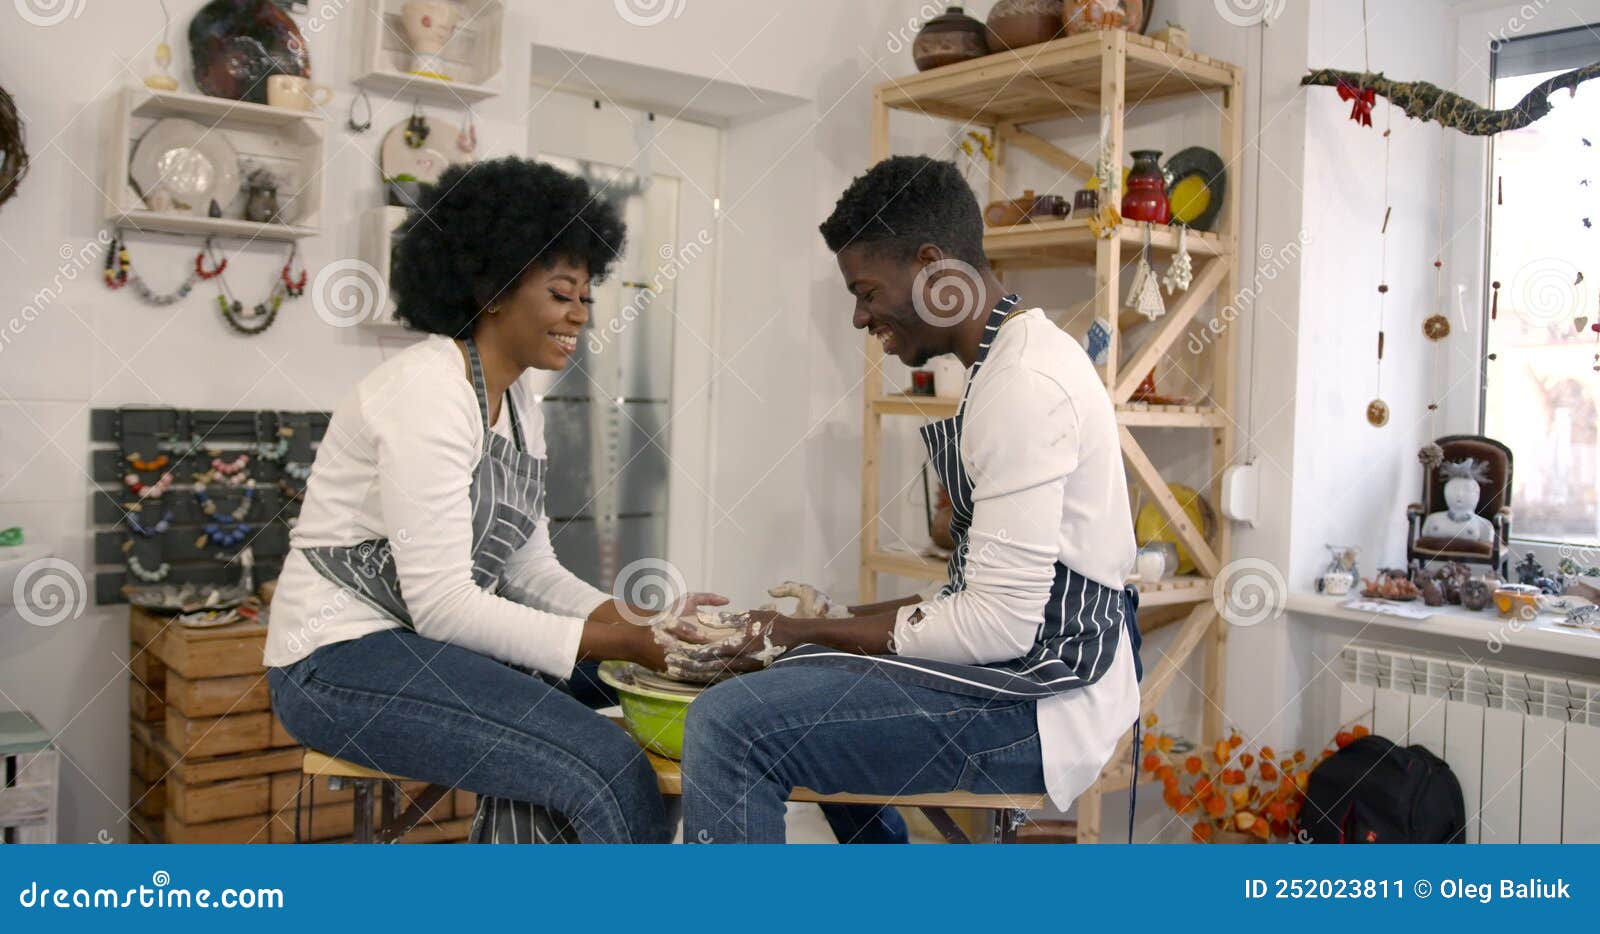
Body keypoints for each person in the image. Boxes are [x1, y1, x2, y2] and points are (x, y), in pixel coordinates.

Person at [676, 155, 1143, 843]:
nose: (859, 317)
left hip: (1046, 699)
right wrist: (827, 623)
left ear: (932, 267)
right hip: (1027, 667)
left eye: (866, 291)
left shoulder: (1025, 382)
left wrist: (794, 631)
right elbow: (975, 595)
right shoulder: (1005, 362)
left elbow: (997, 626)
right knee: (798, 672)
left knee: (730, 725)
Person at [264, 157, 727, 844]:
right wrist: (631, 641)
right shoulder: (427, 391)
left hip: (424, 646)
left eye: (586, 294)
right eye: (562, 292)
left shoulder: (516, 401)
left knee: (661, 689)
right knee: (603, 764)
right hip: (333, 663)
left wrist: (645, 623)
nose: (581, 313)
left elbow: (529, 570)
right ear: (493, 289)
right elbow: (446, 607)